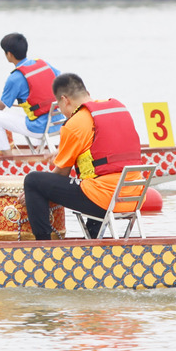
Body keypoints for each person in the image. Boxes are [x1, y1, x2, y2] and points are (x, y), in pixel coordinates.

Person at [22, 73, 144, 240]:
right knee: (93, 182)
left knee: (33, 181)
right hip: (135, 196)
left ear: (65, 100)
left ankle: (43, 245)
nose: (62, 112)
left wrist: (32, 194)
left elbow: (62, 173)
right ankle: (93, 241)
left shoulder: (75, 123)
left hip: (105, 199)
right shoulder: (118, 109)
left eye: (59, 107)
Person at [0, 33, 63, 155]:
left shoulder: (15, 78)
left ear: (9, 54)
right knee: (34, 113)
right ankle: (37, 152)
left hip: (40, 128)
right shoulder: (43, 64)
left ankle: (7, 159)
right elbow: (61, 80)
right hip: (59, 123)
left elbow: (0, 107)